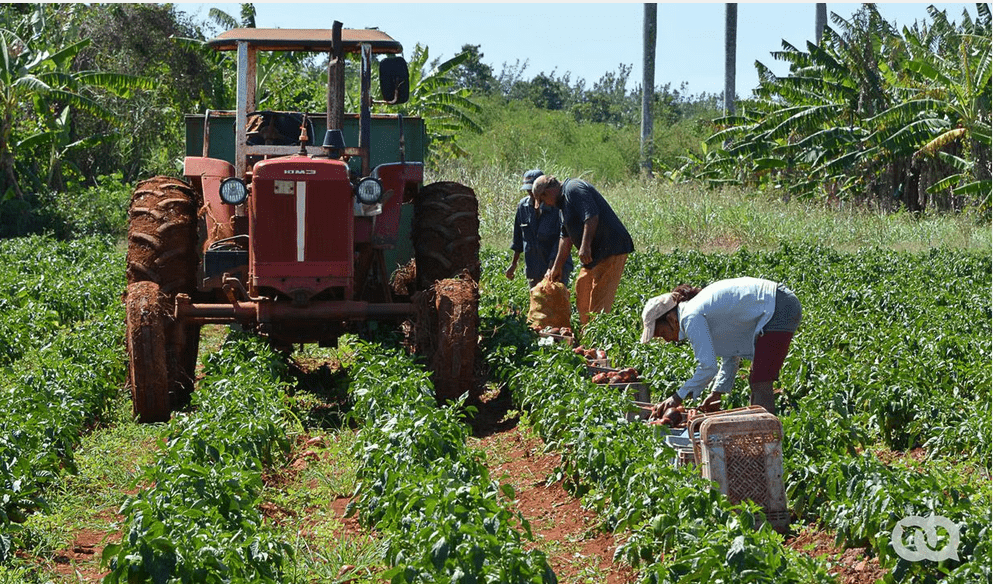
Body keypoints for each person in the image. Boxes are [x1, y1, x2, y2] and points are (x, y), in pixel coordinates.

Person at [640, 277, 802, 416]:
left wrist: (677, 397)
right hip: (779, 302)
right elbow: (731, 354)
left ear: (670, 319)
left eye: (662, 333)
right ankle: (761, 431)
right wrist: (716, 393)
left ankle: (768, 436)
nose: (667, 340)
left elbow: (708, 367)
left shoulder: (691, 317)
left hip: (778, 306)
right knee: (758, 378)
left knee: (760, 380)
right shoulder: (695, 311)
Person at [532, 175, 634, 326]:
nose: (546, 204)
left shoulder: (573, 189)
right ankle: (586, 331)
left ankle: (597, 334)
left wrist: (585, 246)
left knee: (599, 300)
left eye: (543, 200)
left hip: (610, 249)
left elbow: (591, 216)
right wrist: (556, 268)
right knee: (582, 289)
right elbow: (565, 238)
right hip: (594, 256)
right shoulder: (562, 206)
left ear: (547, 192)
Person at [505, 169, 573, 288]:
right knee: (537, 297)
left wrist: (552, 267)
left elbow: (561, 239)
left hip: (557, 265)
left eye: (532, 190)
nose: (531, 193)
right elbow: (518, 238)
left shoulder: (556, 206)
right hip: (534, 267)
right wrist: (513, 264)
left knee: (554, 296)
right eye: (528, 190)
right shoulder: (523, 207)